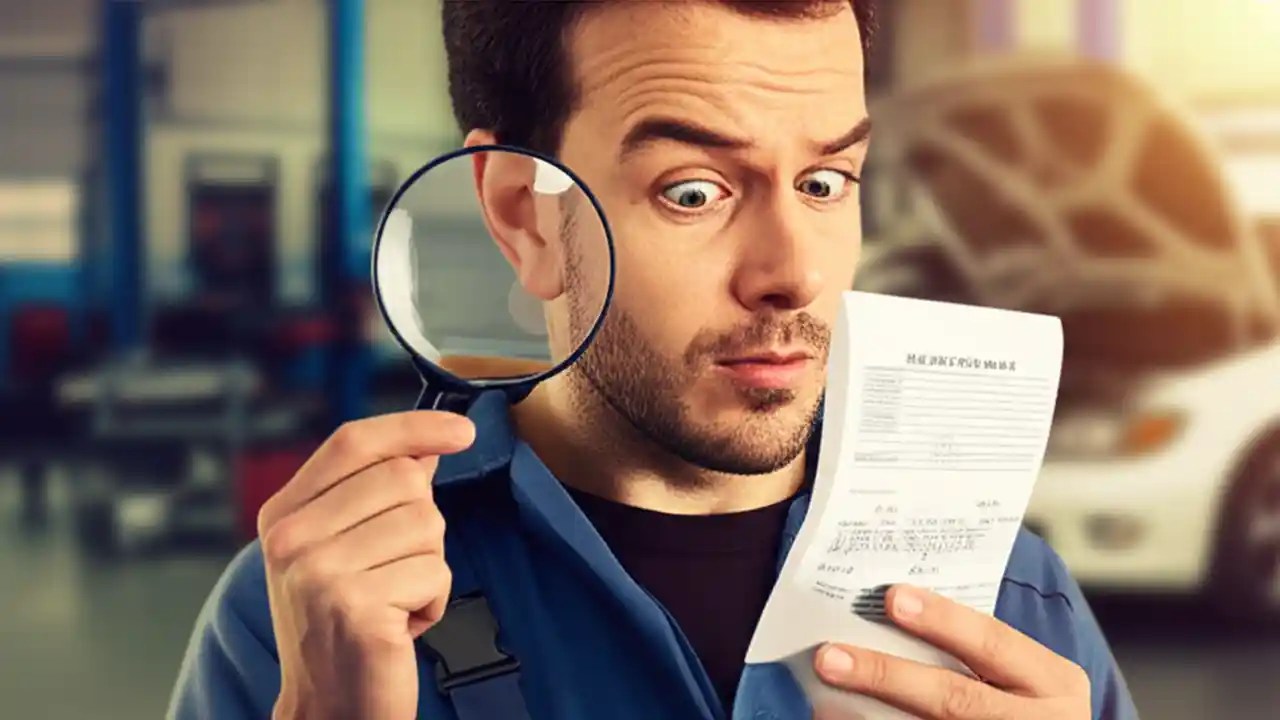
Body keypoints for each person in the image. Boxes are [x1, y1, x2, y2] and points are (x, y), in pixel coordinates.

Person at [169, 2, 1139, 719]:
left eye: (821, 180)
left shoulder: (1018, 606)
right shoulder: (310, 620)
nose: (791, 274)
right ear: (523, 216)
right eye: (692, 191)